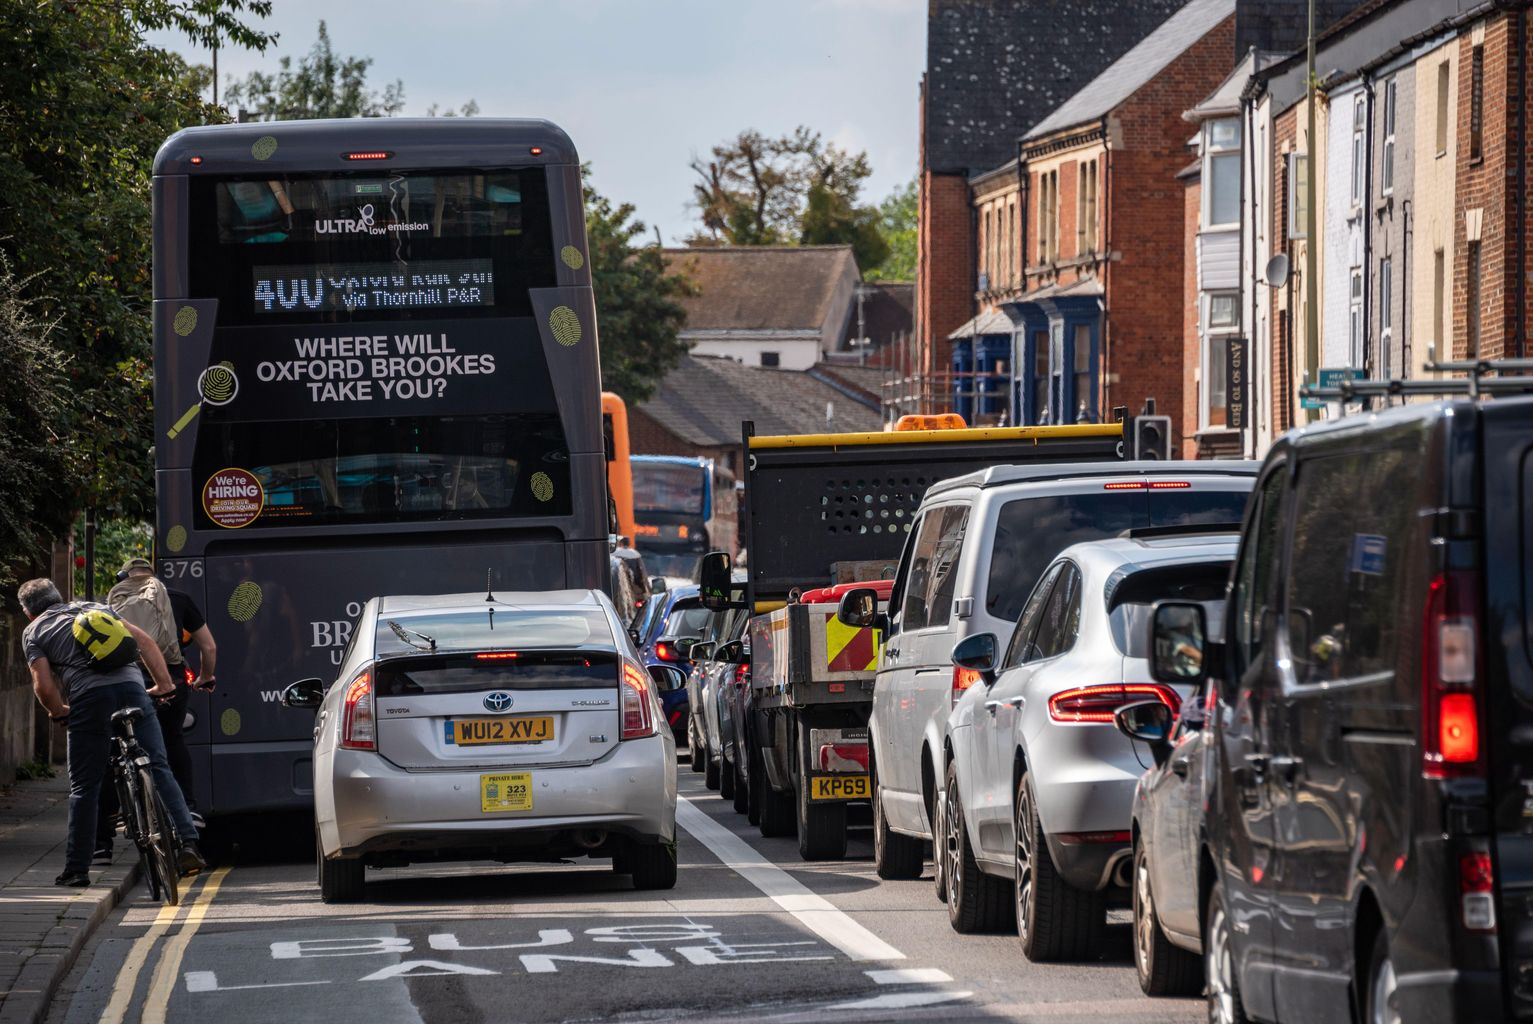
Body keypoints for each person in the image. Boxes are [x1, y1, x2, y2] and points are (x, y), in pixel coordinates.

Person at [18, 578, 205, 887]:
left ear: (28, 612)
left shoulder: (35, 631)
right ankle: (188, 842)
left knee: (84, 787)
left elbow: (43, 683)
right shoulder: (96, 607)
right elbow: (145, 642)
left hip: (89, 702)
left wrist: (58, 711)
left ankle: (77, 869)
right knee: (158, 765)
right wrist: (163, 684)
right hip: (133, 691)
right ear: (59, 597)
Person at [108, 559, 203, 831]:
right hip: (170, 677)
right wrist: (205, 677)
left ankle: (105, 836)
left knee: (115, 745)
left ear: (123, 576)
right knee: (172, 739)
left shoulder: (111, 602)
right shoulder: (176, 597)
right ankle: (188, 809)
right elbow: (209, 647)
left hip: (130, 677)